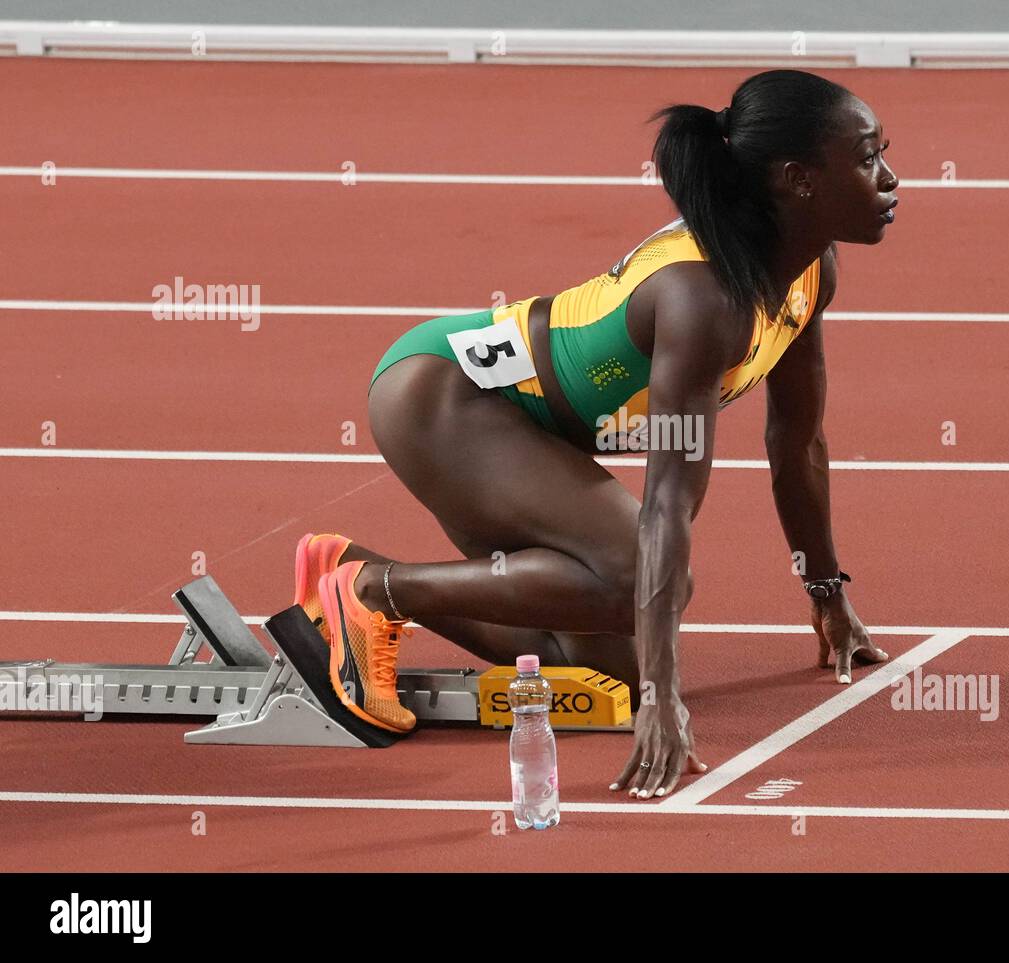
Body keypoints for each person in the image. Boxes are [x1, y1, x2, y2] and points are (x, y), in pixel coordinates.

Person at [295, 68, 898, 800]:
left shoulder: (808, 272)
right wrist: (663, 701)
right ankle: (372, 591)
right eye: (867, 158)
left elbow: (796, 442)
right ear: (799, 179)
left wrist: (827, 592)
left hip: (534, 433)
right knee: (631, 580)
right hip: (445, 396)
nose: (890, 178)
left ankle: (347, 565)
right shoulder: (705, 299)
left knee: (614, 668)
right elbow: (668, 506)